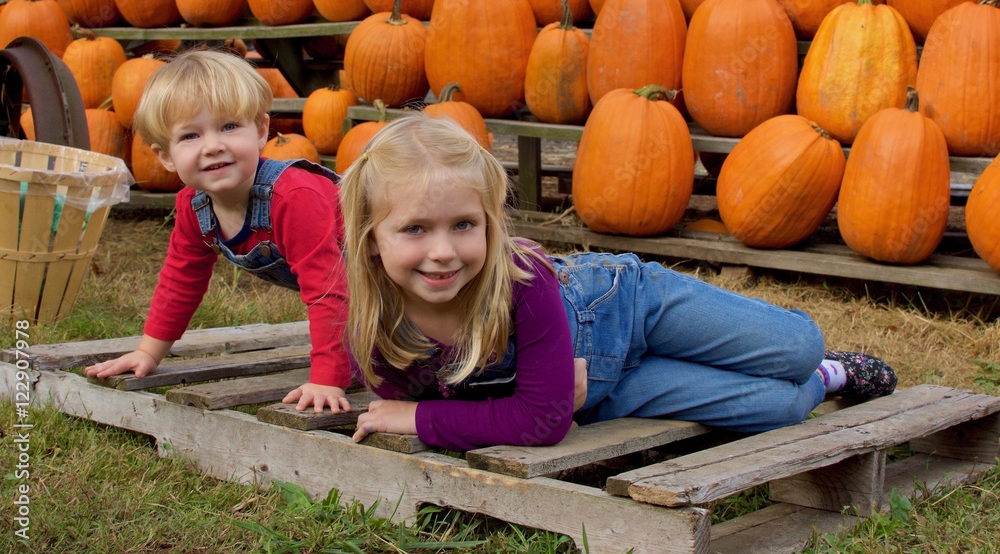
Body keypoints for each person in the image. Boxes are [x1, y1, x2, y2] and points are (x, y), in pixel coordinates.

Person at [341, 113, 897, 452]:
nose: (443, 252)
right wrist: (547, 399)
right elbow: (533, 414)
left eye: (464, 225)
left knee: (797, 348)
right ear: (371, 238)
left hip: (626, 306)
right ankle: (832, 378)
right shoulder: (377, 329)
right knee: (783, 406)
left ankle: (813, 357)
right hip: (607, 392)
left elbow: (535, 419)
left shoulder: (520, 279)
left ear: (490, 223)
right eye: (414, 229)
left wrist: (424, 418)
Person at [85, 49, 352, 413]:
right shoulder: (194, 208)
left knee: (413, 362)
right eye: (191, 136)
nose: (213, 146)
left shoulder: (293, 197)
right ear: (165, 156)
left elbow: (326, 290)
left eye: (229, 127)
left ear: (260, 130)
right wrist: (148, 351)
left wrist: (326, 377)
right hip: (363, 294)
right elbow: (181, 280)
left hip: (396, 272)